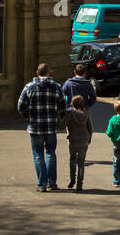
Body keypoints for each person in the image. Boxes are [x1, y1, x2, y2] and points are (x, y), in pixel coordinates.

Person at [17, 64, 66, 192]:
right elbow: (62, 107)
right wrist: (58, 116)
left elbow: (20, 106)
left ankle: (42, 184)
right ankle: (52, 182)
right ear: (48, 73)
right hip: (51, 126)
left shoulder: (29, 87)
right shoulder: (56, 87)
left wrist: (28, 117)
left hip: (35, 126)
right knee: (50, 153)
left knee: (38, 155)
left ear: (37, 73)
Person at [63, 94, 93, 191]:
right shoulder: (86, 114)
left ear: (73, 103)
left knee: (72, 160)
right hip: (84, 140)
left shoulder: (70, 114)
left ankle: (72, 179)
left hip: (72, 140)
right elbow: (90, 128)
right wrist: (89, 138)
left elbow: (63, 125)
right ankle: (80, 184)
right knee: (81, 162)